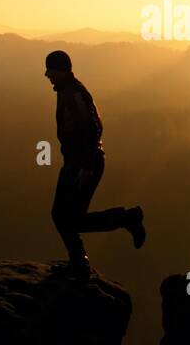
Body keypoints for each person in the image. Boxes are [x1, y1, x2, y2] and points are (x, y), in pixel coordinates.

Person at [44, 50, 145, 276]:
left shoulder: (75, 94)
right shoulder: (67, 91)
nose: (47, 76)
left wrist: (87, 166)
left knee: (64, 216)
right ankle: (82, 258)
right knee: (68, 217)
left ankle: (80, 262)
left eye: (50, 71)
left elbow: (94, 127)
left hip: (83, 163)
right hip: (77, 162)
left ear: (60, 71)